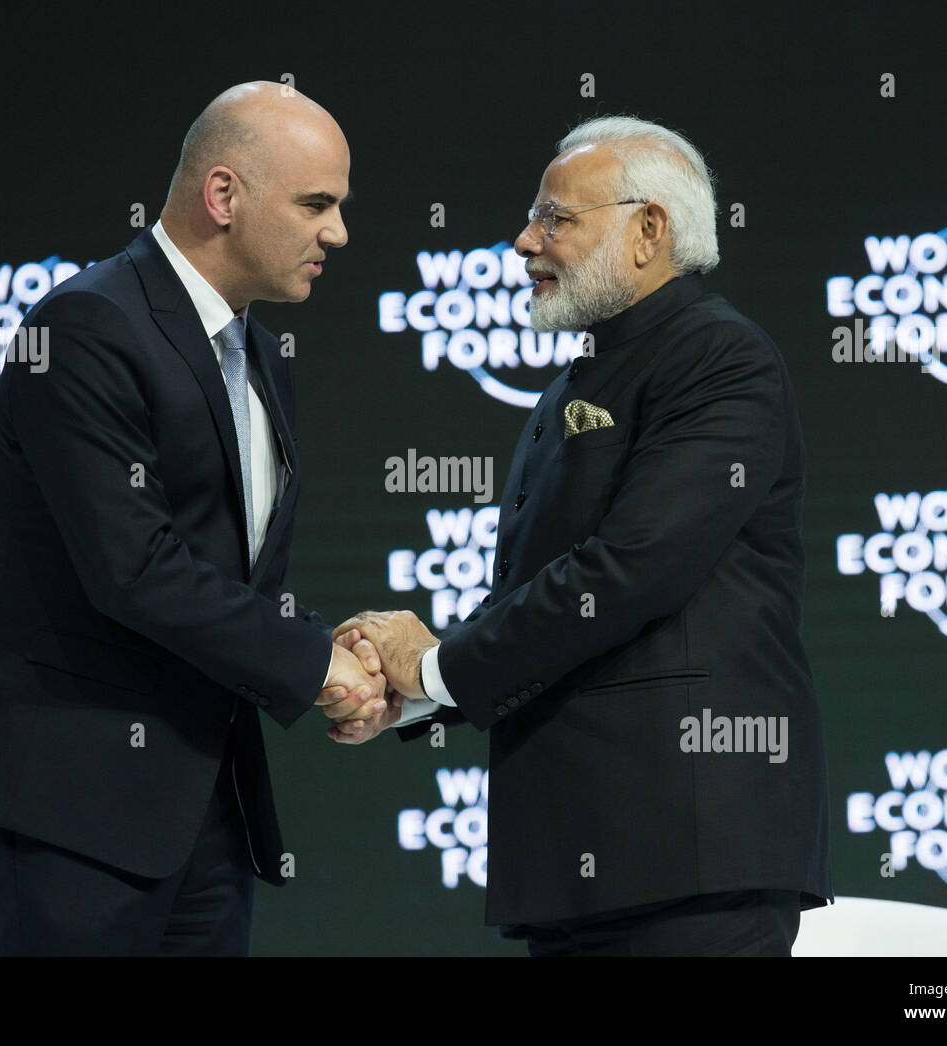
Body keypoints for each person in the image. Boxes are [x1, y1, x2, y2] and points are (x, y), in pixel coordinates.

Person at [326, 116, 833, 956]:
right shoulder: (578, 377)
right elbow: (544, 595)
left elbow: (630, 568)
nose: (526, 239)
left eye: (556, 217)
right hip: (580, 864)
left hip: (682, 860)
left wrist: (435, 665)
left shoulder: (720, 357)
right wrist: (412, 692)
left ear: (649, 230)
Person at [0, 82, 392, 956]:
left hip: (206, 805)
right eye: (316, 203)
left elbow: (230, 579)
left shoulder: (261, 351)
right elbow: (134, 568)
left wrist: (332, 657)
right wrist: (314, 664)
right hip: (71, 806)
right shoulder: (85, 326)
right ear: (224, 196)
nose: (337, 232)